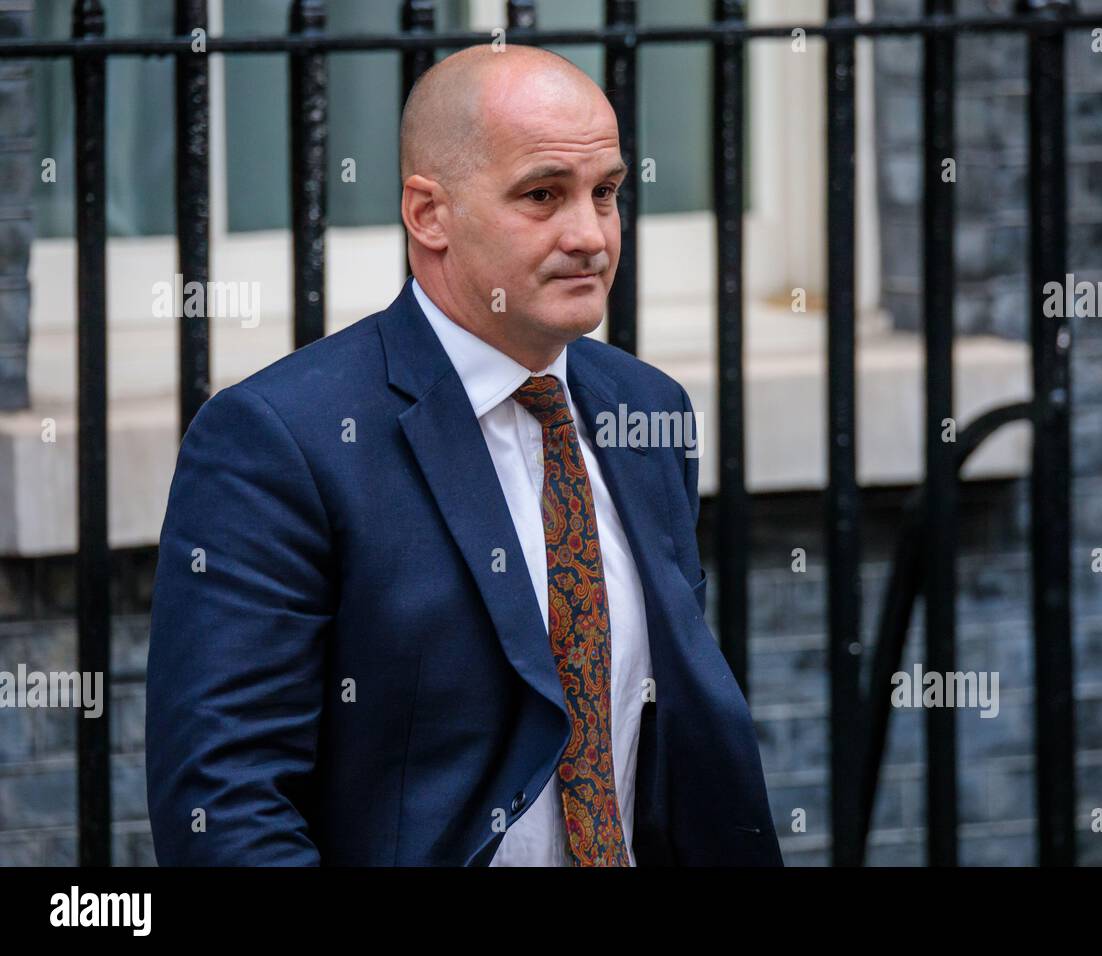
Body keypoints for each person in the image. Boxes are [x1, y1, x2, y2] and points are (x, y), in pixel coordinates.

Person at [145, 43, 782, 867]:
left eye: (606, 193)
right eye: (542, 195)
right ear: (427, 214)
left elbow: (659, 737)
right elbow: (225, 803)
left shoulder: (646, 411)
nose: (589, 235)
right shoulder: (277, 439)